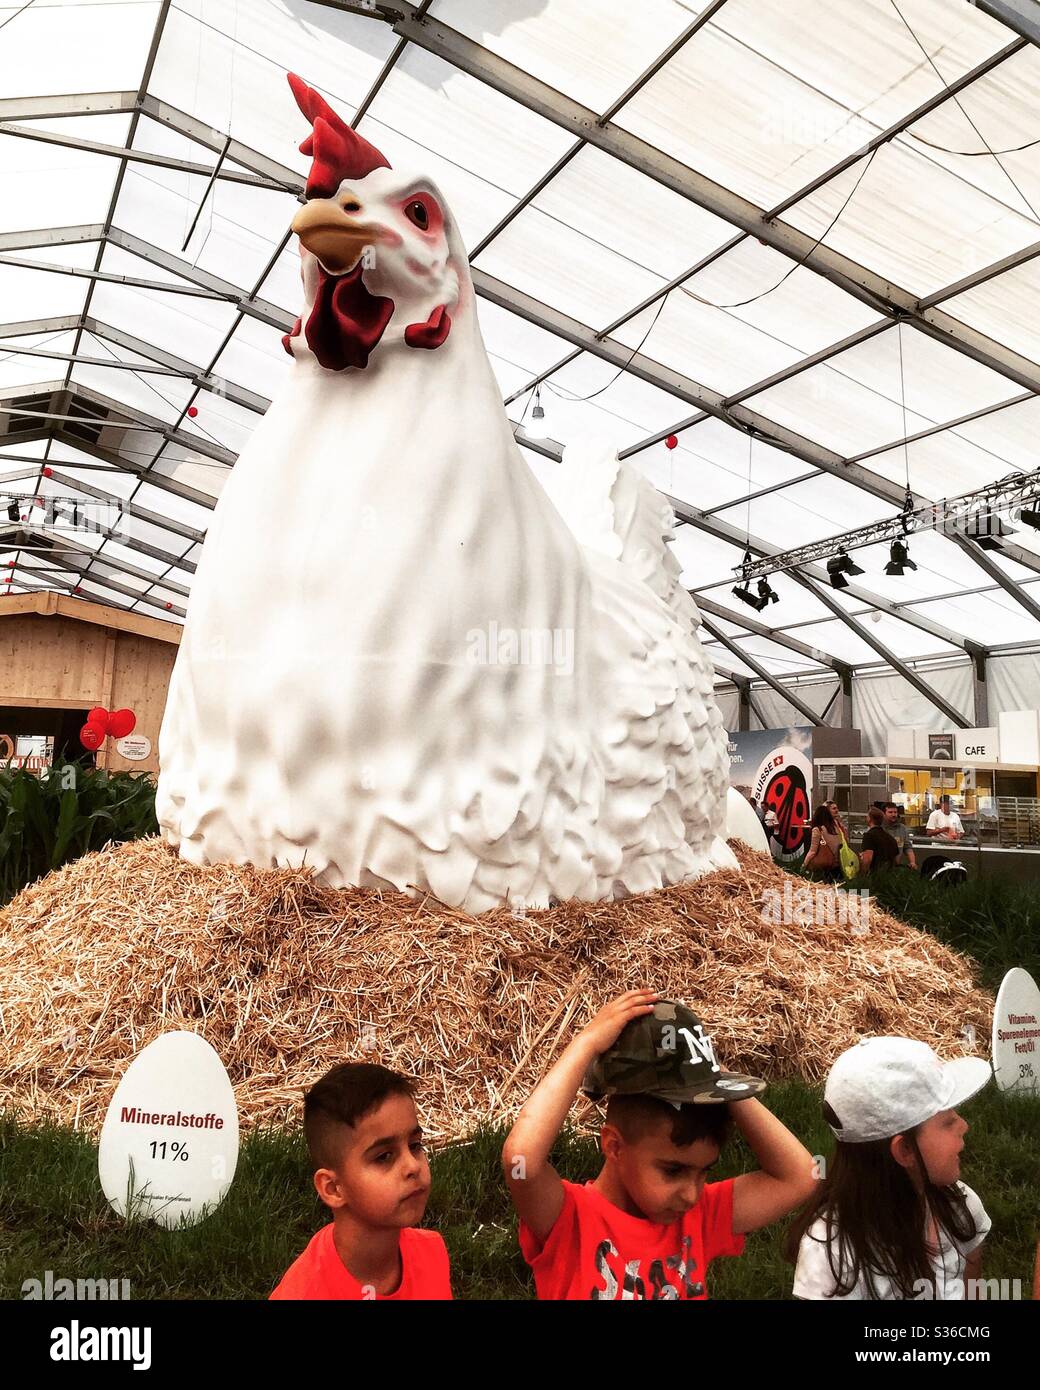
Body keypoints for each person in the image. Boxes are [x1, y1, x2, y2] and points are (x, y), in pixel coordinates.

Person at [502, 991, 816, 1300]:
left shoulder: (699, 1218)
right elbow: (522, 1162)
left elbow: (800, 1176)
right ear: (614, 1146)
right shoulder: (570, 1223)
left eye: (704, 1172)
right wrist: (586, 1044)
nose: (691, 1193)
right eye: (673, 1170)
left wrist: (712, 1079)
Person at [788, 1036, 992, 1299]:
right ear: (904, 1150)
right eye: (948, 1122)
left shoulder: (959, 1206)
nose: (964, 1126)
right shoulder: (831, 1255)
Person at [270, 1062, 452, 1300]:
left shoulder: (431, 1253)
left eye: (415, 1145)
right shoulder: (304, 1293)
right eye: (384, 1156)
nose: (412, 1166)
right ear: (333, 1188)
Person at [802, 804, 841, 878]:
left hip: (823, 868)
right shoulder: (836, 829)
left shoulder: (818, 830)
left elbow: (812, 852)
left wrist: (804, 865)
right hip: (837, 867)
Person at [859, 806, 898, 873]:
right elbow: (895, 859)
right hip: (888, 877)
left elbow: (867, 859)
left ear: (869, 819)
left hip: (874, 876)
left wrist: (862, 876)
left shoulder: (869, 836)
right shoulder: (890, 838)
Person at [882, 800, 917, 870]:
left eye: (895, 812)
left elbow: (907, 847)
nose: (893, 815)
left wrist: (912, 862)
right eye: (890, 812)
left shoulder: (902, 828)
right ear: (883, 814)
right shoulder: (879, 828)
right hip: (881, 867)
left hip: (896, 866)